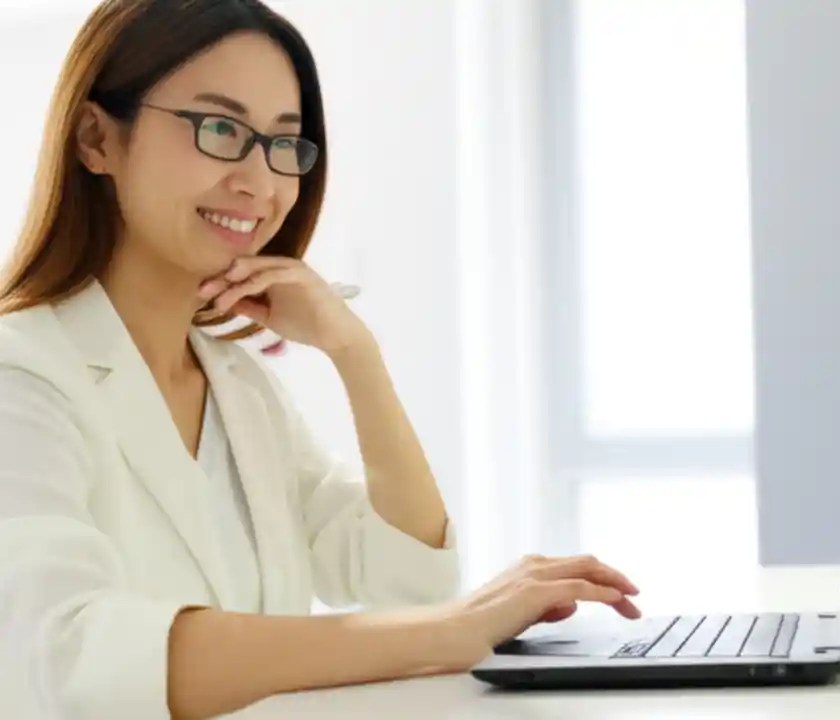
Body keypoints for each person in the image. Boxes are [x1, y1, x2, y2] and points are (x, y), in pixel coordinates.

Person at [0, 2, 640, 718]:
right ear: (96, 139)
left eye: (285, 143)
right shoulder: (19, 375)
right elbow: (73, 652)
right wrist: (449, 631)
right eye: (219, 129)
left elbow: (406, 577)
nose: (260, 181)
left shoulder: (236, 385)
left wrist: (354, 352)